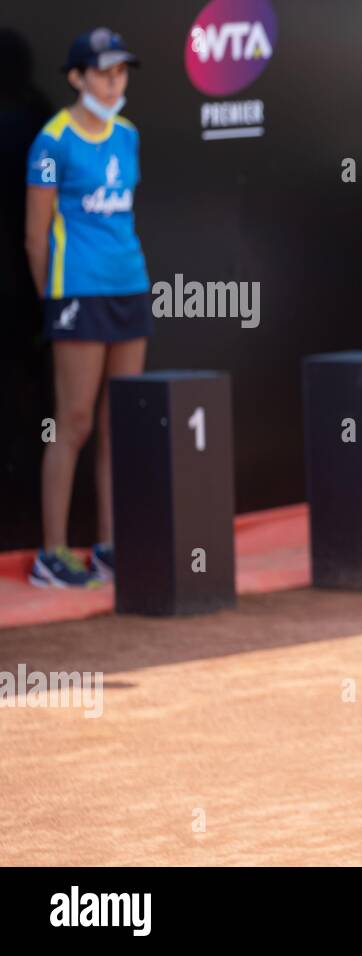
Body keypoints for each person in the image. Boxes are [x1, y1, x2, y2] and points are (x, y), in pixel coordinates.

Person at [24, 28, 148, 587]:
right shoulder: (51, 143)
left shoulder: (128, 135)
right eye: (103, 71)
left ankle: (110, 544)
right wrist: (56, 302)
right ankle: (51, 553)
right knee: (71, 423)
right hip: (77, 294)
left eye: (121, 72)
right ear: (76, 77)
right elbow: (35, 236)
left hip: (129, 286)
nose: (113, 81)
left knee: (119, 420)